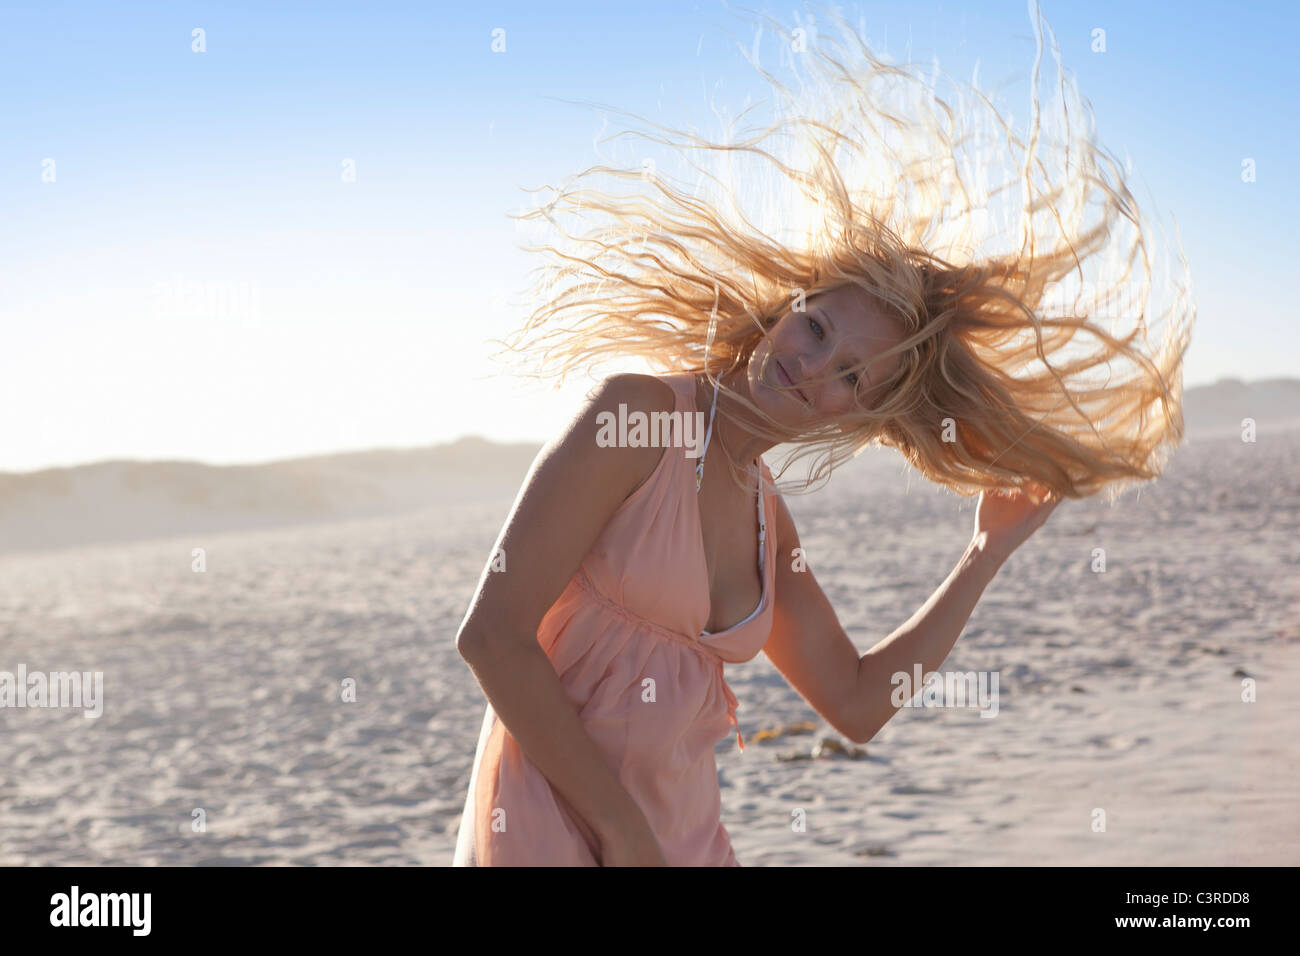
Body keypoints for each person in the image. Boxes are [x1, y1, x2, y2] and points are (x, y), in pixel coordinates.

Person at [451, 3, 1192, 866]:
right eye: (816, 331)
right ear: (783, 312)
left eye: (850, 376)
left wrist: (984, 553)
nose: (814, 366)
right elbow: (491, 636)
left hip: (684, 843)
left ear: (862, 418)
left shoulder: (770, 524)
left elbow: (856, 702)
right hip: (551, 836)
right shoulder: (638, 419)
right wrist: (618, 831)